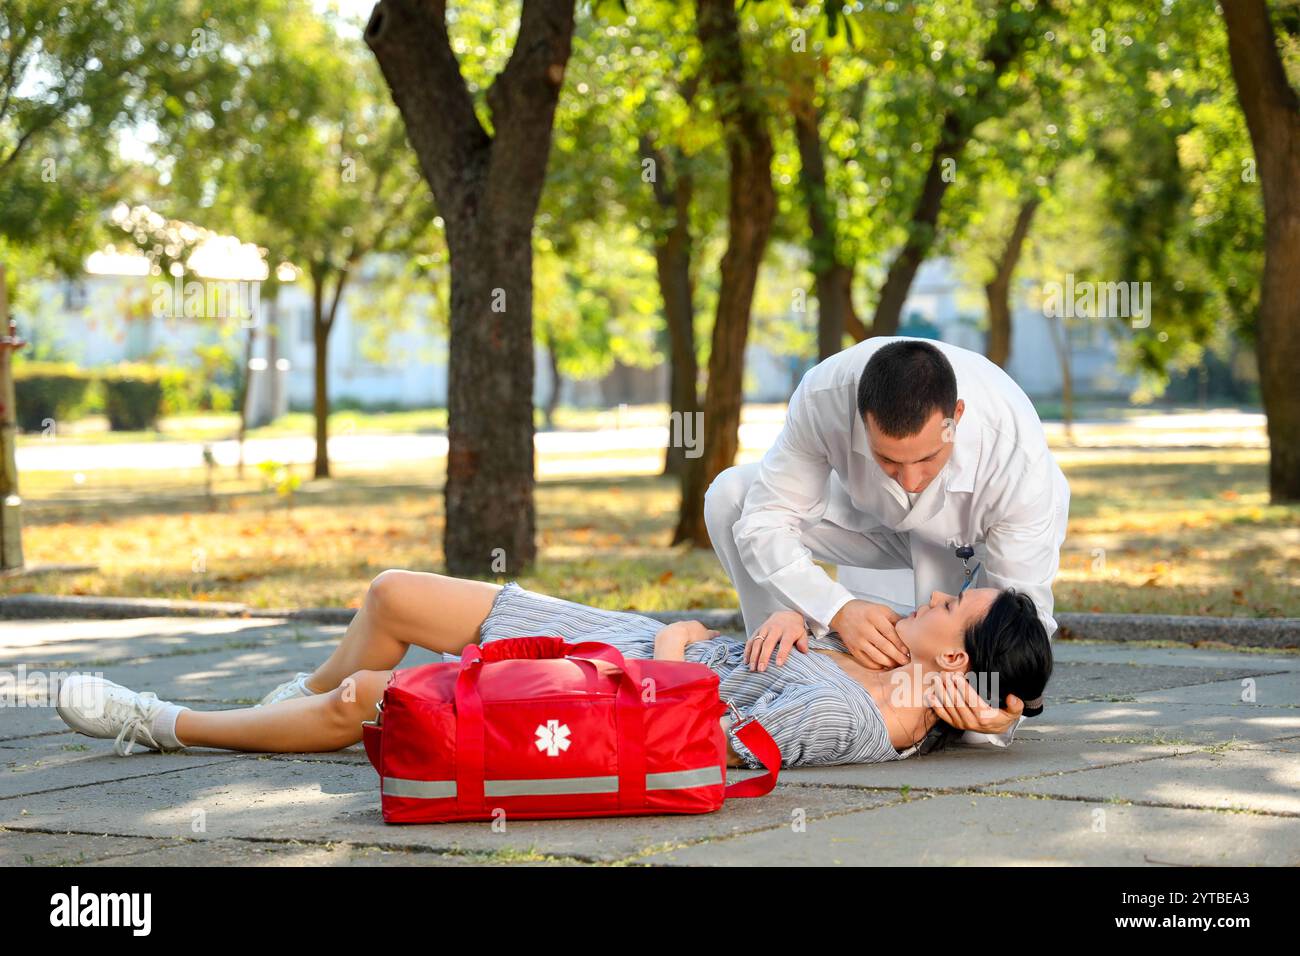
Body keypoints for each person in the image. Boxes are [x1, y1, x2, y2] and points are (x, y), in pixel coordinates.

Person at [55, 570, 1051, 768]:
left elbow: (696, 746)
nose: (929, 595)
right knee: (394, 594)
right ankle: (299, 703)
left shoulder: (852, 720)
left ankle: (164, 718)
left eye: (947, 603)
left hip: (602, 695)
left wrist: (671, 647)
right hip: (608, 639)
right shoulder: (897, 673)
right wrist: (792, 614)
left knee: (372, 702)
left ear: (956, 651)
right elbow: (1015, 695)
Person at [704, 337, 1070, 748]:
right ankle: (773, 667)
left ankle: (936, 720)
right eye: (890, 460)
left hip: (973, 542)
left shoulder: (1015, 456)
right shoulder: (825, 396)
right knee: (731, 498)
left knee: (974, 736)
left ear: (956, 418)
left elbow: (1019, 615)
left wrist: (1003, 712)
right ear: (860, 422)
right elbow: (766, 519)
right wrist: (834, 608)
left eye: (927, 459)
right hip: (874, 520)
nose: (911, 481)